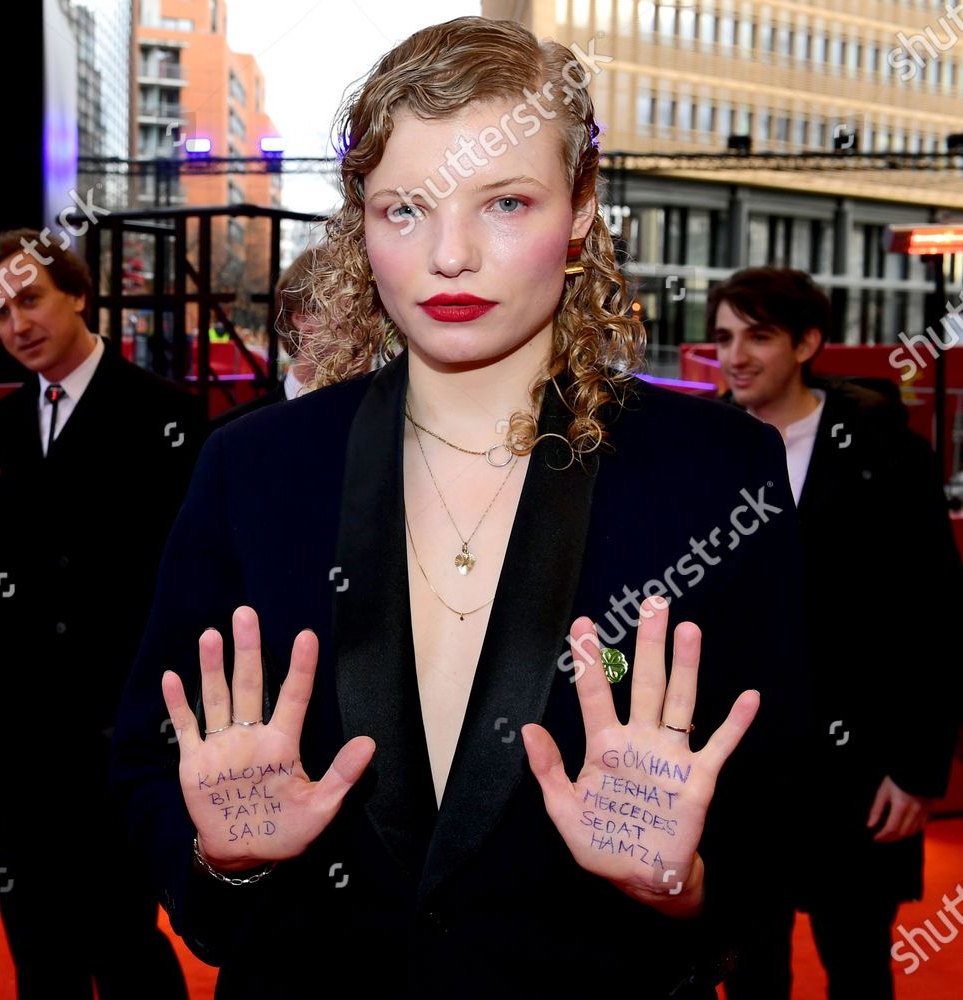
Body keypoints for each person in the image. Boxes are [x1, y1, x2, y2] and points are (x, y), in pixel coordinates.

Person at [111, 17, 809, 998]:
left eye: (506, 202)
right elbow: (144, 761)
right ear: (362, 220)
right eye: (405, 210)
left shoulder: (714, 472)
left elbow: (784, 800)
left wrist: (679, 880)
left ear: (580, 207)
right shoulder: (254, 469)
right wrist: (224, 855)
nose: (449, 255)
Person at [710, 267, 963, 1000]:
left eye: (758, 336)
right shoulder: (701, 452)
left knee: (857, 965)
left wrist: (918, 769)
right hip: (736, 772)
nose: (735, 356)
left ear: (808, 342)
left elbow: (937, 615)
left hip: (856, 771)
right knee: (748, 971)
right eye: (724, 337)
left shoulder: (886, 452)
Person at [0, 228, 203, 999]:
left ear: (77, 294)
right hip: (24, 741)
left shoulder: (166, 413)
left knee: (123, 938)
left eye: (30, 300)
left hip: (119, 734)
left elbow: (185, 586)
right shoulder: (3, 423)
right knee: (37, 945)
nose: (17, 326)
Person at [213, 246, 321, 429]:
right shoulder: (236, 434)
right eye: (351, 307)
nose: (371, 323)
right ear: (303, 318)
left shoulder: (382, 424)